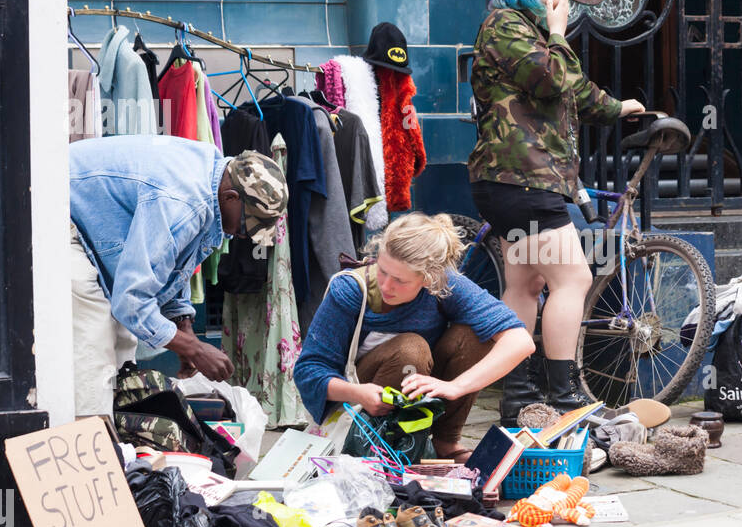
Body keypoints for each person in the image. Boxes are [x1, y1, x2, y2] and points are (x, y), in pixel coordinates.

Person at [467, 0, 646, 424]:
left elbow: (572, 90)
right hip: (522, 179)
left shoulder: (524, 30)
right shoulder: (505, 26)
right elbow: (550, 78)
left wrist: (620, 108)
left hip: (516, 182)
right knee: (574, 278)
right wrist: (559, 30)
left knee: (526, 284)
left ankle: (519, 396)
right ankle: (564, 395)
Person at [69, 135, 289, 416]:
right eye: (247, 227)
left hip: (85, 219)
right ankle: (94, 446)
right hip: (54, 209)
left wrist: (181, 324)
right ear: (231, 197)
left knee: (125, 342)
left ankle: (116, 430)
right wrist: (195, 348)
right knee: (95, 338)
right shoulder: (183, 203)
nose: (242, 235)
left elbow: (173, 261)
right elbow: (130, 302)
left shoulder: (211, 178)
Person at [293, 213, 534, 459]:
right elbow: (308, 371)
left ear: (429, 279)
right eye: (383, 271)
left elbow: (519, 341)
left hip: (418, 388)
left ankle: (445, 445)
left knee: (476, 334)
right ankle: (381, 448)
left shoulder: (446, 284)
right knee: (412, 348)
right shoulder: (350, 289)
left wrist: (454, 387)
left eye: (399, 280)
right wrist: (359, 393)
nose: (386, 286)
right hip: (358, 398)